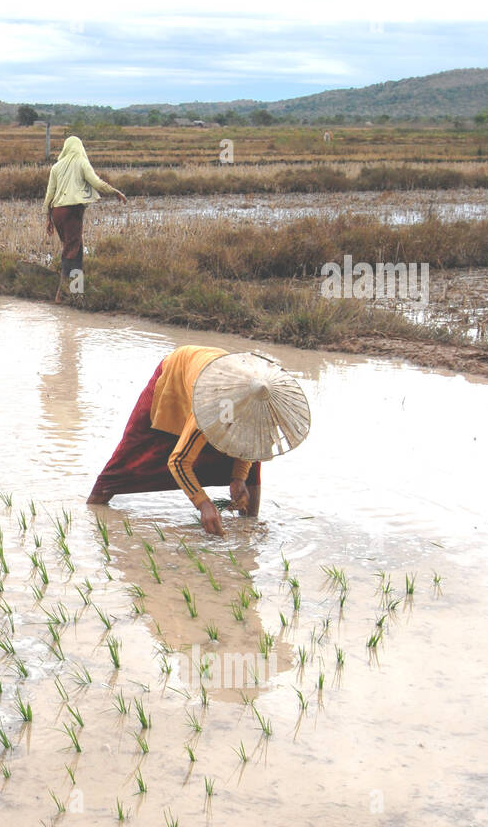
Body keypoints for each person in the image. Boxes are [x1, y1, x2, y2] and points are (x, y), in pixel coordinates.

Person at [87, 346, 311, 536]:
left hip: (223, 381)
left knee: (251, 467)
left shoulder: (263, 409)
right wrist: (203, 504)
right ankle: (94, 507)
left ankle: (248, 528)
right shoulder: (214, 404)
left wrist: (238, 477)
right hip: (175, 375)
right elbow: (178, 461)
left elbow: (249, 449)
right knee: (133, 453)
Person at [43, 136, 126, 303]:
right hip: (72, 211)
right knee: (71, 250)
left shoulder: (56, 167)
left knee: (77, 249)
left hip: (57, 213)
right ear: (79, 147)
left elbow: (49, 195)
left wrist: (48, 218)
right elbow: (96, 182)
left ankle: (77, 290)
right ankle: (61, 293)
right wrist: (115, 191)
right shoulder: (81, 162)